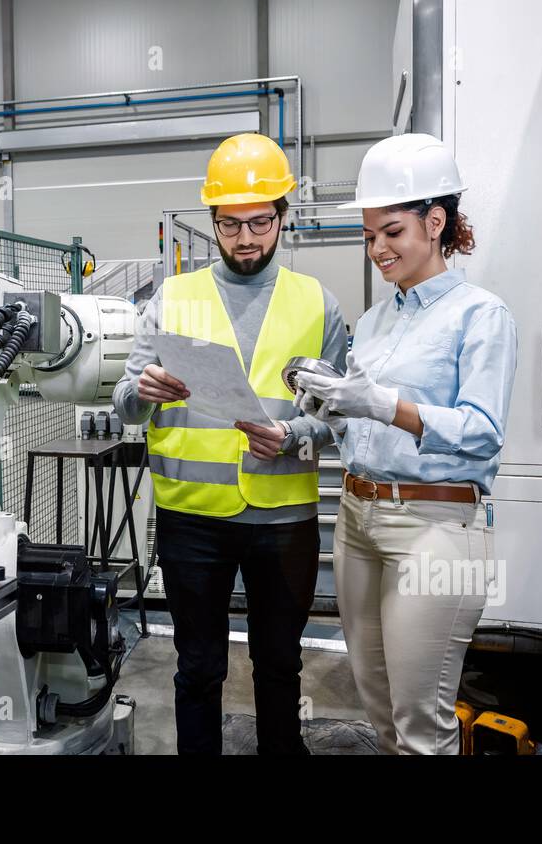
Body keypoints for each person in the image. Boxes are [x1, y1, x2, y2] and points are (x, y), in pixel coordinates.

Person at [112, 133, 347, 755]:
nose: (246, 239)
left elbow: (339, 419)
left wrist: (296, 434)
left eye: (260, 223)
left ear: (283, 218)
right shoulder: (173, 297)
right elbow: (123, 403)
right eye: (230, 224)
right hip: (191, 517)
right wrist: (144, 390)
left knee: (280, 664)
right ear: (212, 222)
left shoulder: (319, 305)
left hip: (283, 518)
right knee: (197, 669)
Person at [294, 133, 518, 755]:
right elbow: (363, 425)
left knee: (422, 720)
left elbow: (482, 433)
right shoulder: (374, 321)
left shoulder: (481, 315)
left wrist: (387, 406)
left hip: (434, 522)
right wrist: (324, 414)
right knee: (380, 708)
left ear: (436, 221)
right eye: (369, 236)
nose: (377, 249)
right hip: (357, 519)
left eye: (391, 232)